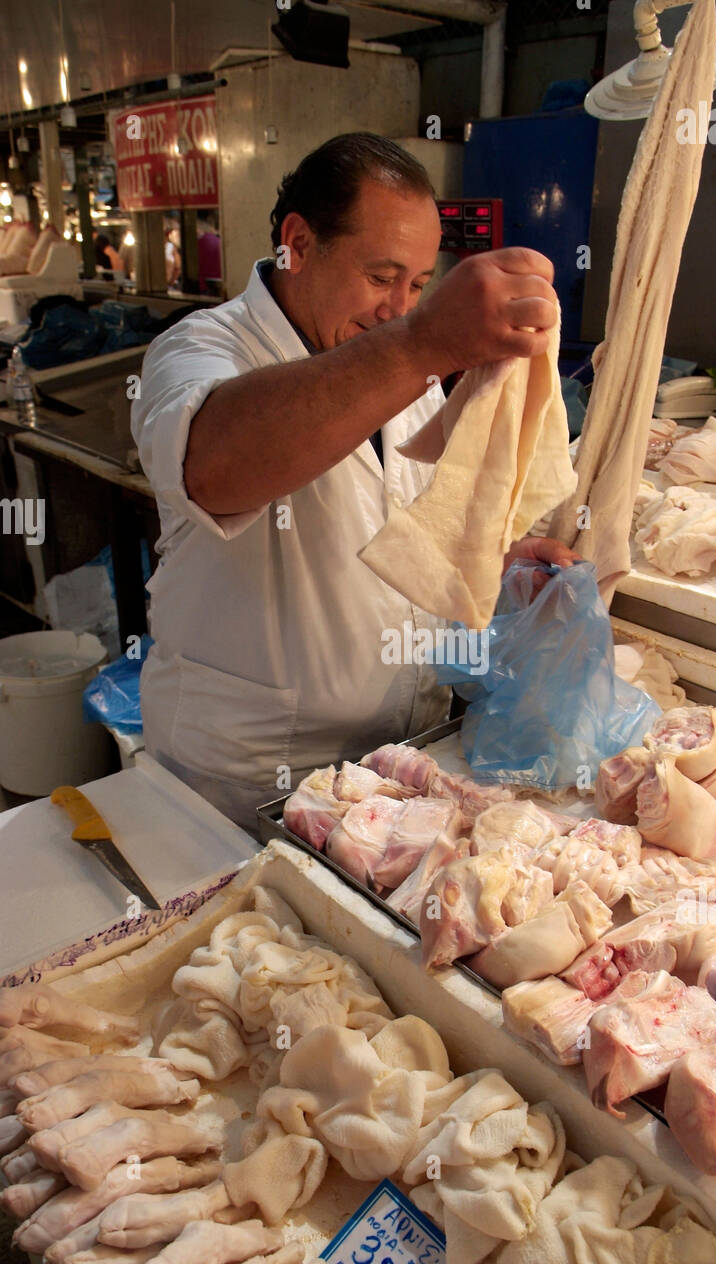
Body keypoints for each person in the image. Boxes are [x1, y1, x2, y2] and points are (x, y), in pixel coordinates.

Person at [131, 132, 577, 832]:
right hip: (244, 779)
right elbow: (213, 468)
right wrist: (425, 339)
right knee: (248, 939)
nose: (397, 307)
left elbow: (399, 515)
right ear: (298, 243)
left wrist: (492, 559)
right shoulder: (201, 347)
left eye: (419, 286)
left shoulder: (407, 367)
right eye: (380, 277)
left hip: (397, 764)